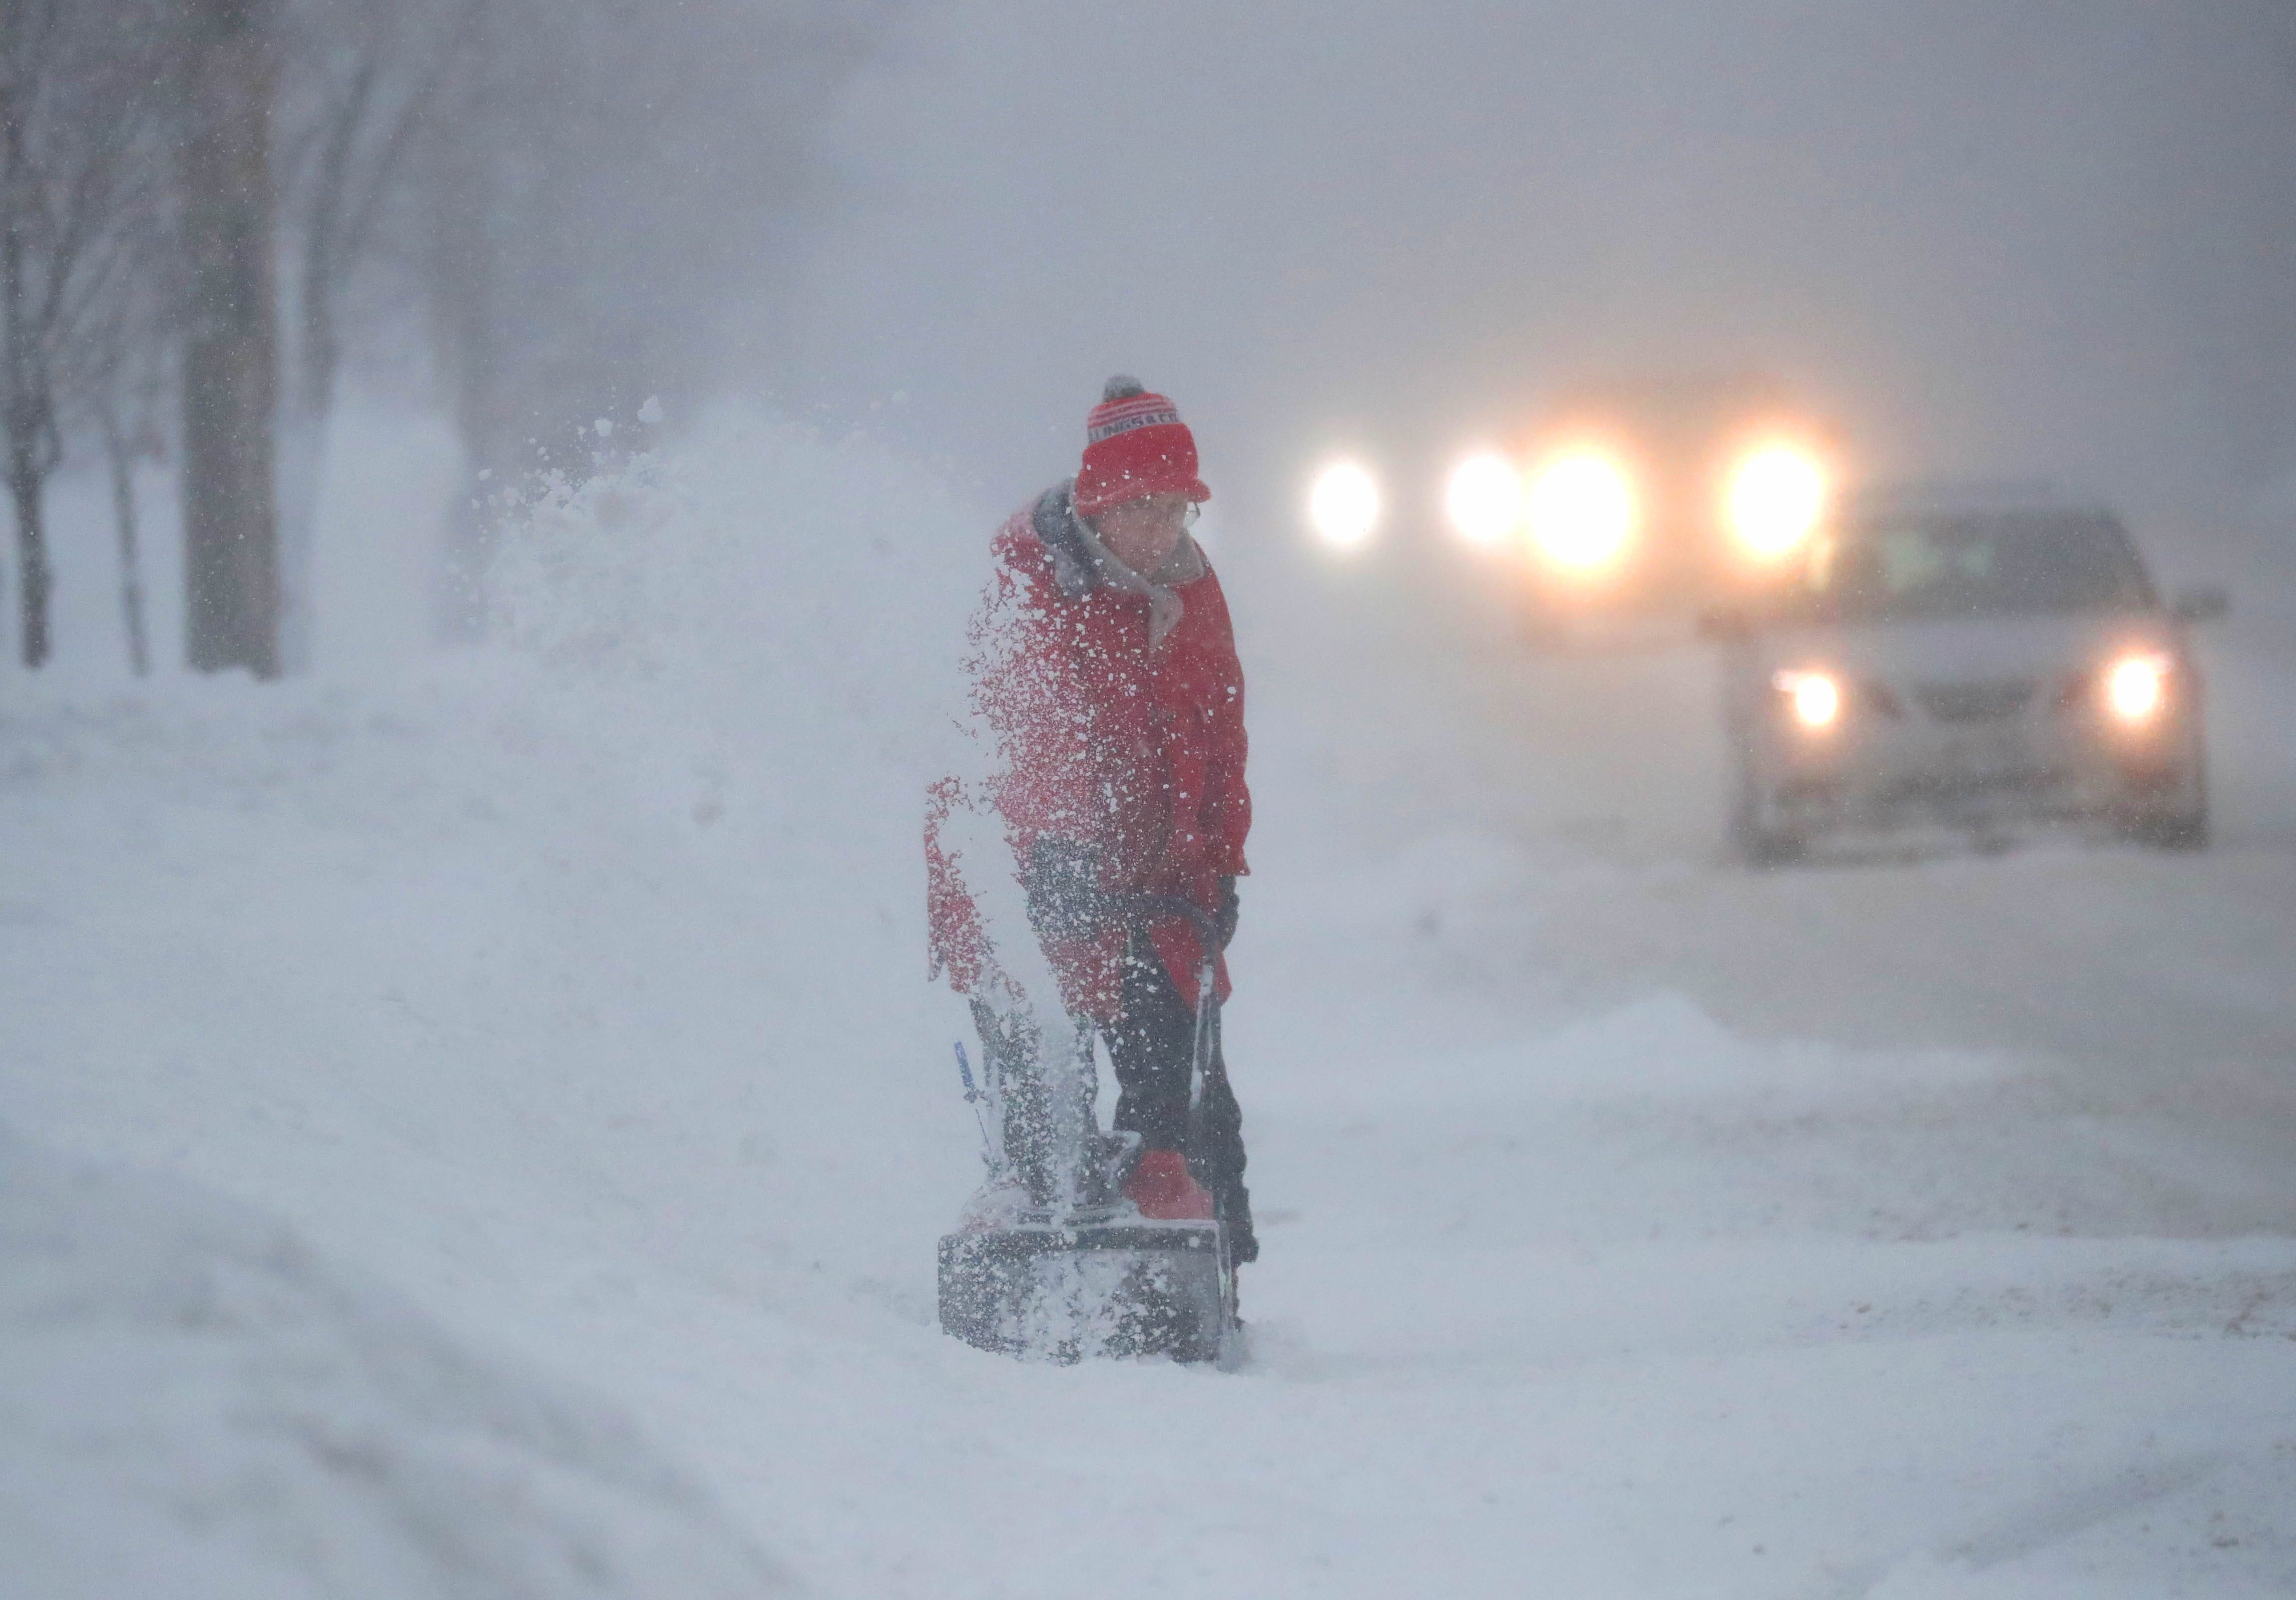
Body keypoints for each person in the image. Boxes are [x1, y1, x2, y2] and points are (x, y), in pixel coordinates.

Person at [926, 375, 1256, 1268]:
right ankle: (1036, 1245)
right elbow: (1012, 726)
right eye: (1144, 509)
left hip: (1151, 879)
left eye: (1178, 510)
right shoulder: (1028, 578)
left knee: (1171, 1094)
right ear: (1100, 504)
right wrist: (1050, 849)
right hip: (1018, 874)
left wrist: (1221, 865)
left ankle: (1177, 1242)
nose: (1162, 530)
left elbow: (1219, 732)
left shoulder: (1191, 588)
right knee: (1044, 1113)